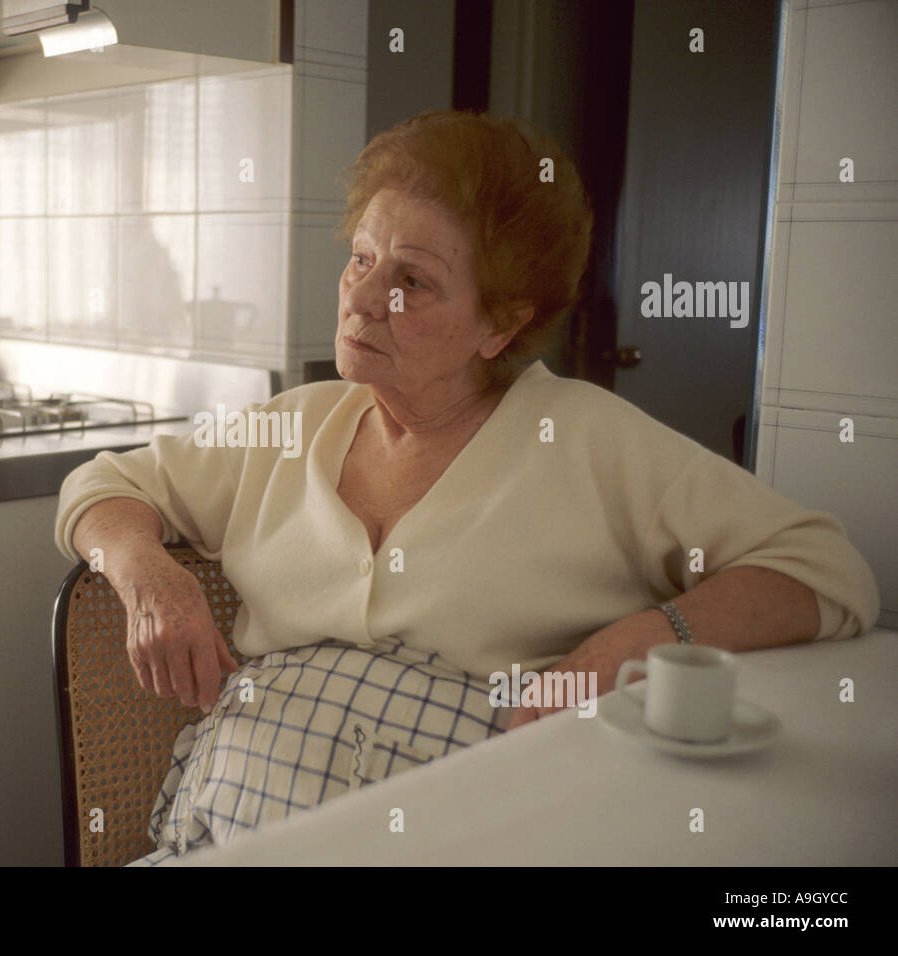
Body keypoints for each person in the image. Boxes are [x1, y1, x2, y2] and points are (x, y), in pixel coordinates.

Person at [53, 110, 880, 864]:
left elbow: (822, 569)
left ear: (501, 324)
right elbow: (103, 485)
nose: (365, 299)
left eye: (412, 280)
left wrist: (623, 648)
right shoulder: (295, 424)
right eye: (361, 260)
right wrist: (147, 570)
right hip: (221, 836)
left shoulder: (585, 439)